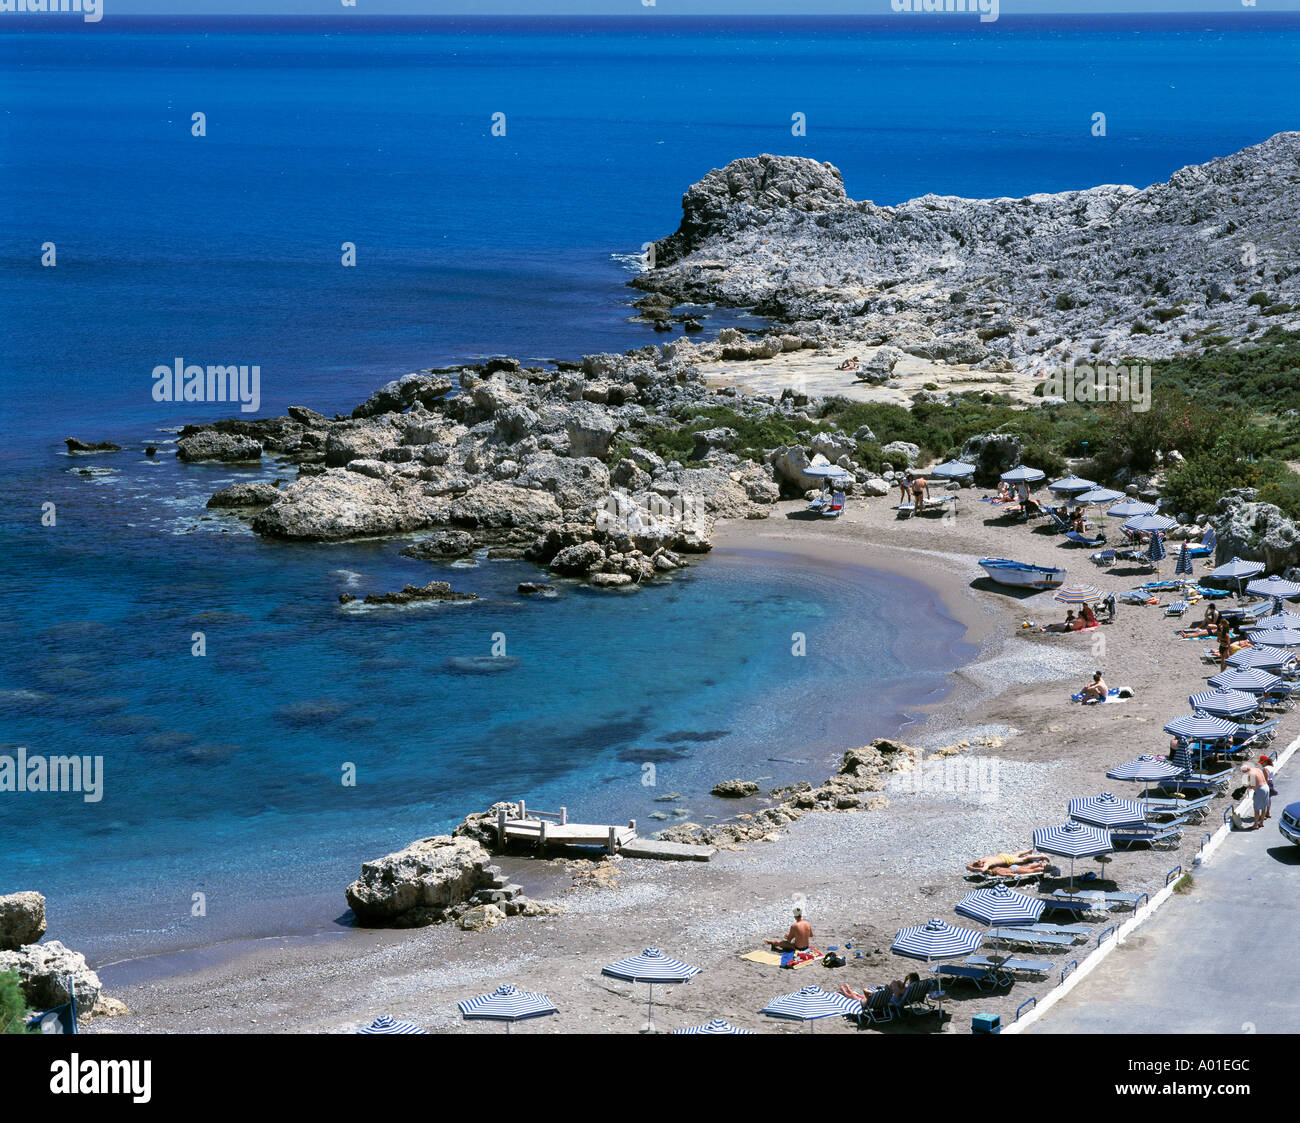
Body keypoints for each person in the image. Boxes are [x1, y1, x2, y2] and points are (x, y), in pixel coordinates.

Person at [967, 850, 1051, 873]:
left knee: (1025, 859)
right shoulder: (982, 859)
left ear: (981, 864)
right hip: (1002, 856)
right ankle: (1028, 851)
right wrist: (970, 866)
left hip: (1006, 860)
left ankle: (1041, 856)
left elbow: (983, 870)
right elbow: (969, 865)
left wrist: (974, 869)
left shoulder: (987, 863)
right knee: (1017, 854)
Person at [1242, 763, 1269, 830]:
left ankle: (1256, 824)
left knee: (1256, 808)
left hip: (1260, 790)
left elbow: (1252, 786)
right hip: (1266, 787)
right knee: (1263, 806)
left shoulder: (1251, 774)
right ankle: (1261, 822)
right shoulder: (1257, 769)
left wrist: (1246, 786)